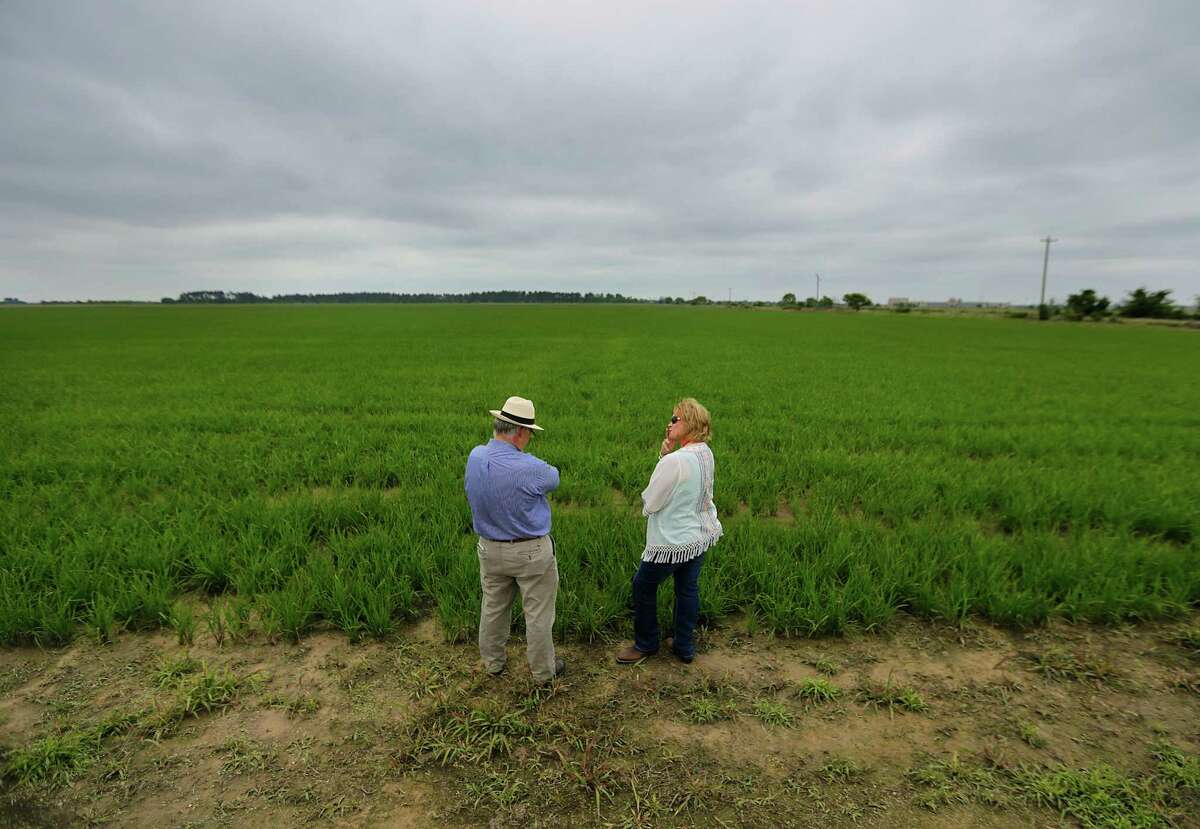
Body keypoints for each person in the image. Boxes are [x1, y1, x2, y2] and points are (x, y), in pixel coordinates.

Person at [465, 395, 566, 683]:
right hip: (530, 552)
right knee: (538, 615)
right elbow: (554, 478)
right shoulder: (530, 467)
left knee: (493, 607)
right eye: (530, 433)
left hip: (489, 549)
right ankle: (543, 673)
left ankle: (493, 663)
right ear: (521, 432)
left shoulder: (476, 457)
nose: (530, 438)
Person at [616, 398, 722, 665]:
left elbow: (651, 502)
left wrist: (663, 457)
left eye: (675, 419)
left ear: (691, 424)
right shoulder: (705, 453)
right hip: (698, 536)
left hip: (672, 540)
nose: (669, 423)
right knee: (687, 589)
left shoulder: (675, 461)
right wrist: (667, 453)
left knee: (643, 585)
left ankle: (646, 643)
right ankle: (684, 646)